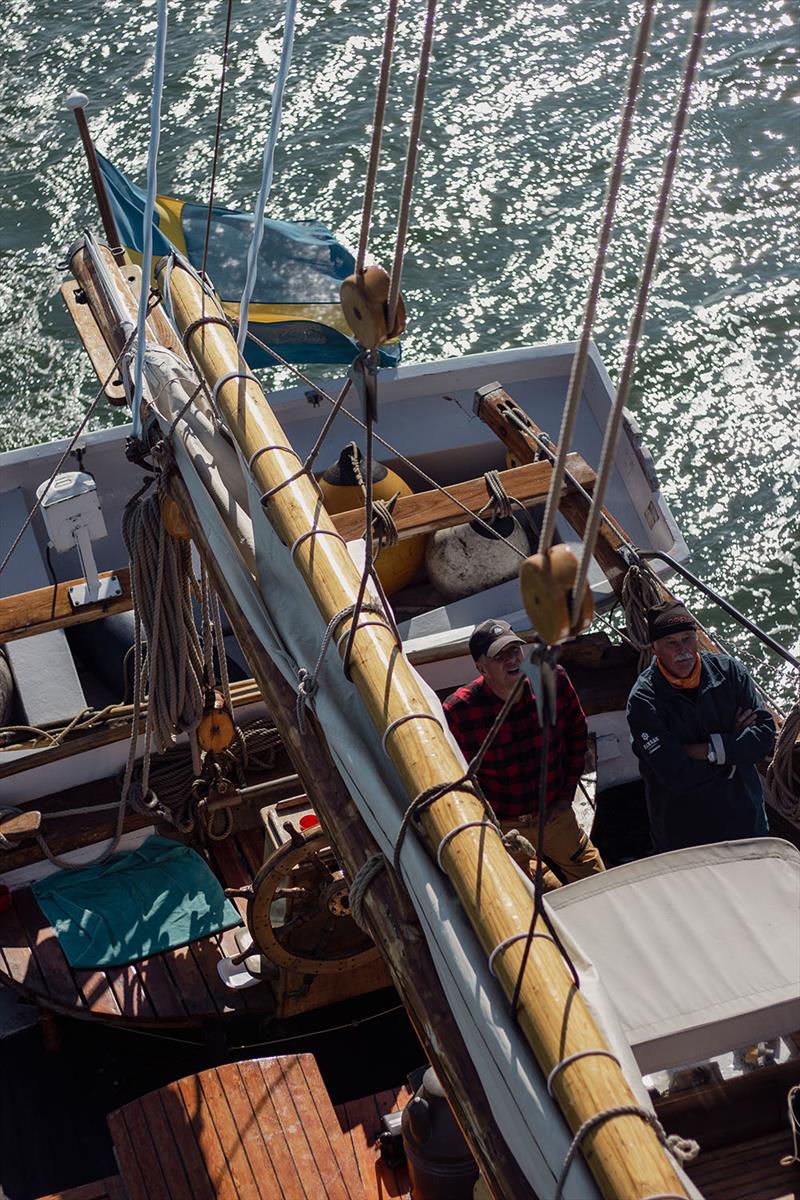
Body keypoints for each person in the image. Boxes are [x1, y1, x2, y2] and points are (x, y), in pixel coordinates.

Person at [443, 619, 604, 889]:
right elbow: (456, 776)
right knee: (534, 893)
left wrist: (566, 796)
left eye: (514, 650)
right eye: (500, 655)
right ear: (481, 667)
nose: (512, 659)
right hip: (507, 826)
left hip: (555, 815)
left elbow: (577, 733)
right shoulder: (458, 711)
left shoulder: (553, 680)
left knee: (597, 878)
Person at [626, 599, 775, 853]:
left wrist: (707, 750)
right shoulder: (643, 701)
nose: (682, 650)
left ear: (697, 638)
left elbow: (763, 738)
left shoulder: (730, 672)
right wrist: (733, 750)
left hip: (745, 821)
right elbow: (677, 775)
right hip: (686, 834)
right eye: (671, 643)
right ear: (655, 648)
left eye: (687, 639)